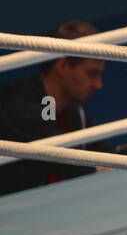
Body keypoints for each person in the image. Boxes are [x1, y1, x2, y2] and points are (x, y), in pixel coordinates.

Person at [0, 21, 106, 197]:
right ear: (63, 67)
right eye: (92, 73)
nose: (98, 84)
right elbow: (65, 162)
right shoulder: (19, 107)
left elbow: (102, 153)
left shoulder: (71, 110)